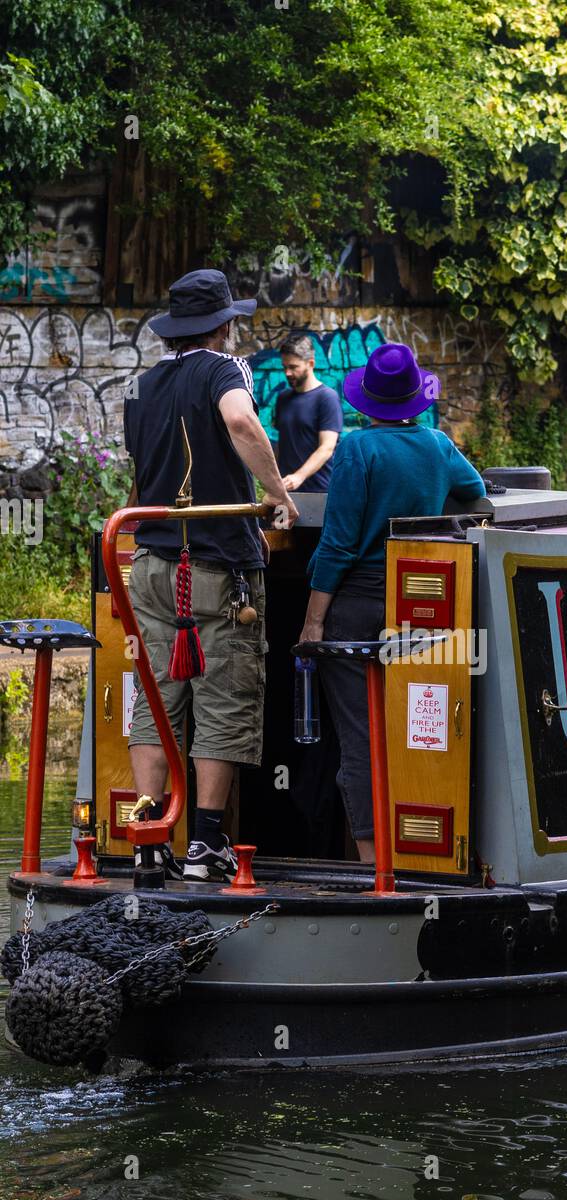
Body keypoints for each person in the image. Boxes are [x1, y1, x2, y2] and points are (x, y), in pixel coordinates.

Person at [124, 268, 297, 881]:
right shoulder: (226, 370)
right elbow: (242, 423)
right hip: (217, 567)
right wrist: (277, 493)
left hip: (149, 564)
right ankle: (204, 847)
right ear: (224, 326)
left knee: (157, 698)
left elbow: (142, 469)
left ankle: (148, 840)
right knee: (223, 697)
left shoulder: (141, 386)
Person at [298, 341, 486, 864]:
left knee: (361, 737)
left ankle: (369, 861)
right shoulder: (437, 445)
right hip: (419, 610)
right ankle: (420, 848)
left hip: (355, 609)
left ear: (367, 403)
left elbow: (336, 544)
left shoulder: (357, 450)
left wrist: (314, 624)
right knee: (417, 731)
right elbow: (474, 489)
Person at [274, 334, 343, 492]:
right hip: (287, 490)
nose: (287, 373)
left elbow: (326, 447)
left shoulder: (327, 397)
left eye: (293, 367)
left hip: (319, 491)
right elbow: (282, 443)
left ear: (310, 363)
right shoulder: (283, 398)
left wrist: (299, 476)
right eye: (285, 367)